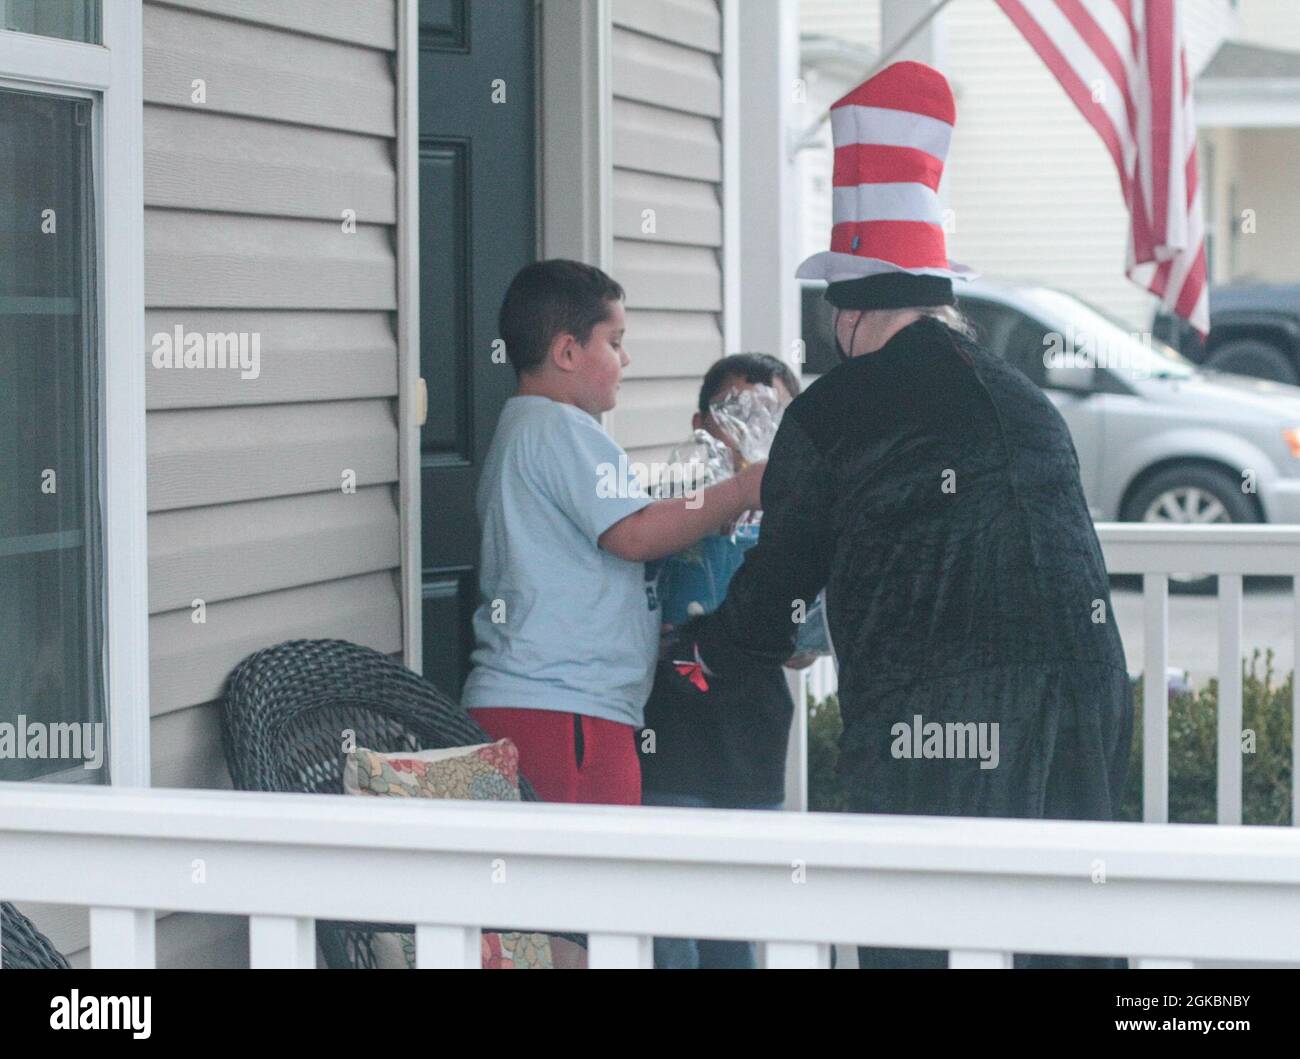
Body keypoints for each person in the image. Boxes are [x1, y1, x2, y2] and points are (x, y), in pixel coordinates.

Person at [673, 62, 1133, 969]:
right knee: (1067, 944)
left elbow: (770, 600)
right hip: (1089, 699)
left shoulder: (833, 411)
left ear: (847, 308)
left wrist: (701, 649)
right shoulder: (1023, 398)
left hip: (940, 724)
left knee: (912, 934)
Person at [461, 260, 765, 808]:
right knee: (583, 886)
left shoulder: (532, 429)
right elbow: (636, 534)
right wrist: (744, 489)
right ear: (568, 352)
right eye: (615, 341)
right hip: (560, 710)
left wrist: (703, 513)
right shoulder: (559, 427)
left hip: (557, 708)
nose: (625, 359)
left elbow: (639, 522)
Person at [639, 354, 825, 970]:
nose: (752, 433)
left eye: (771, 417)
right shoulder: (672, 509)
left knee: (733, 931)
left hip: (751, 750)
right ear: (701, 425)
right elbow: (656, 609)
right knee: (671, 929)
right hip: (672, 747)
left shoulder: (791, 524)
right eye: (736, 416)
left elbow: (805, 646)